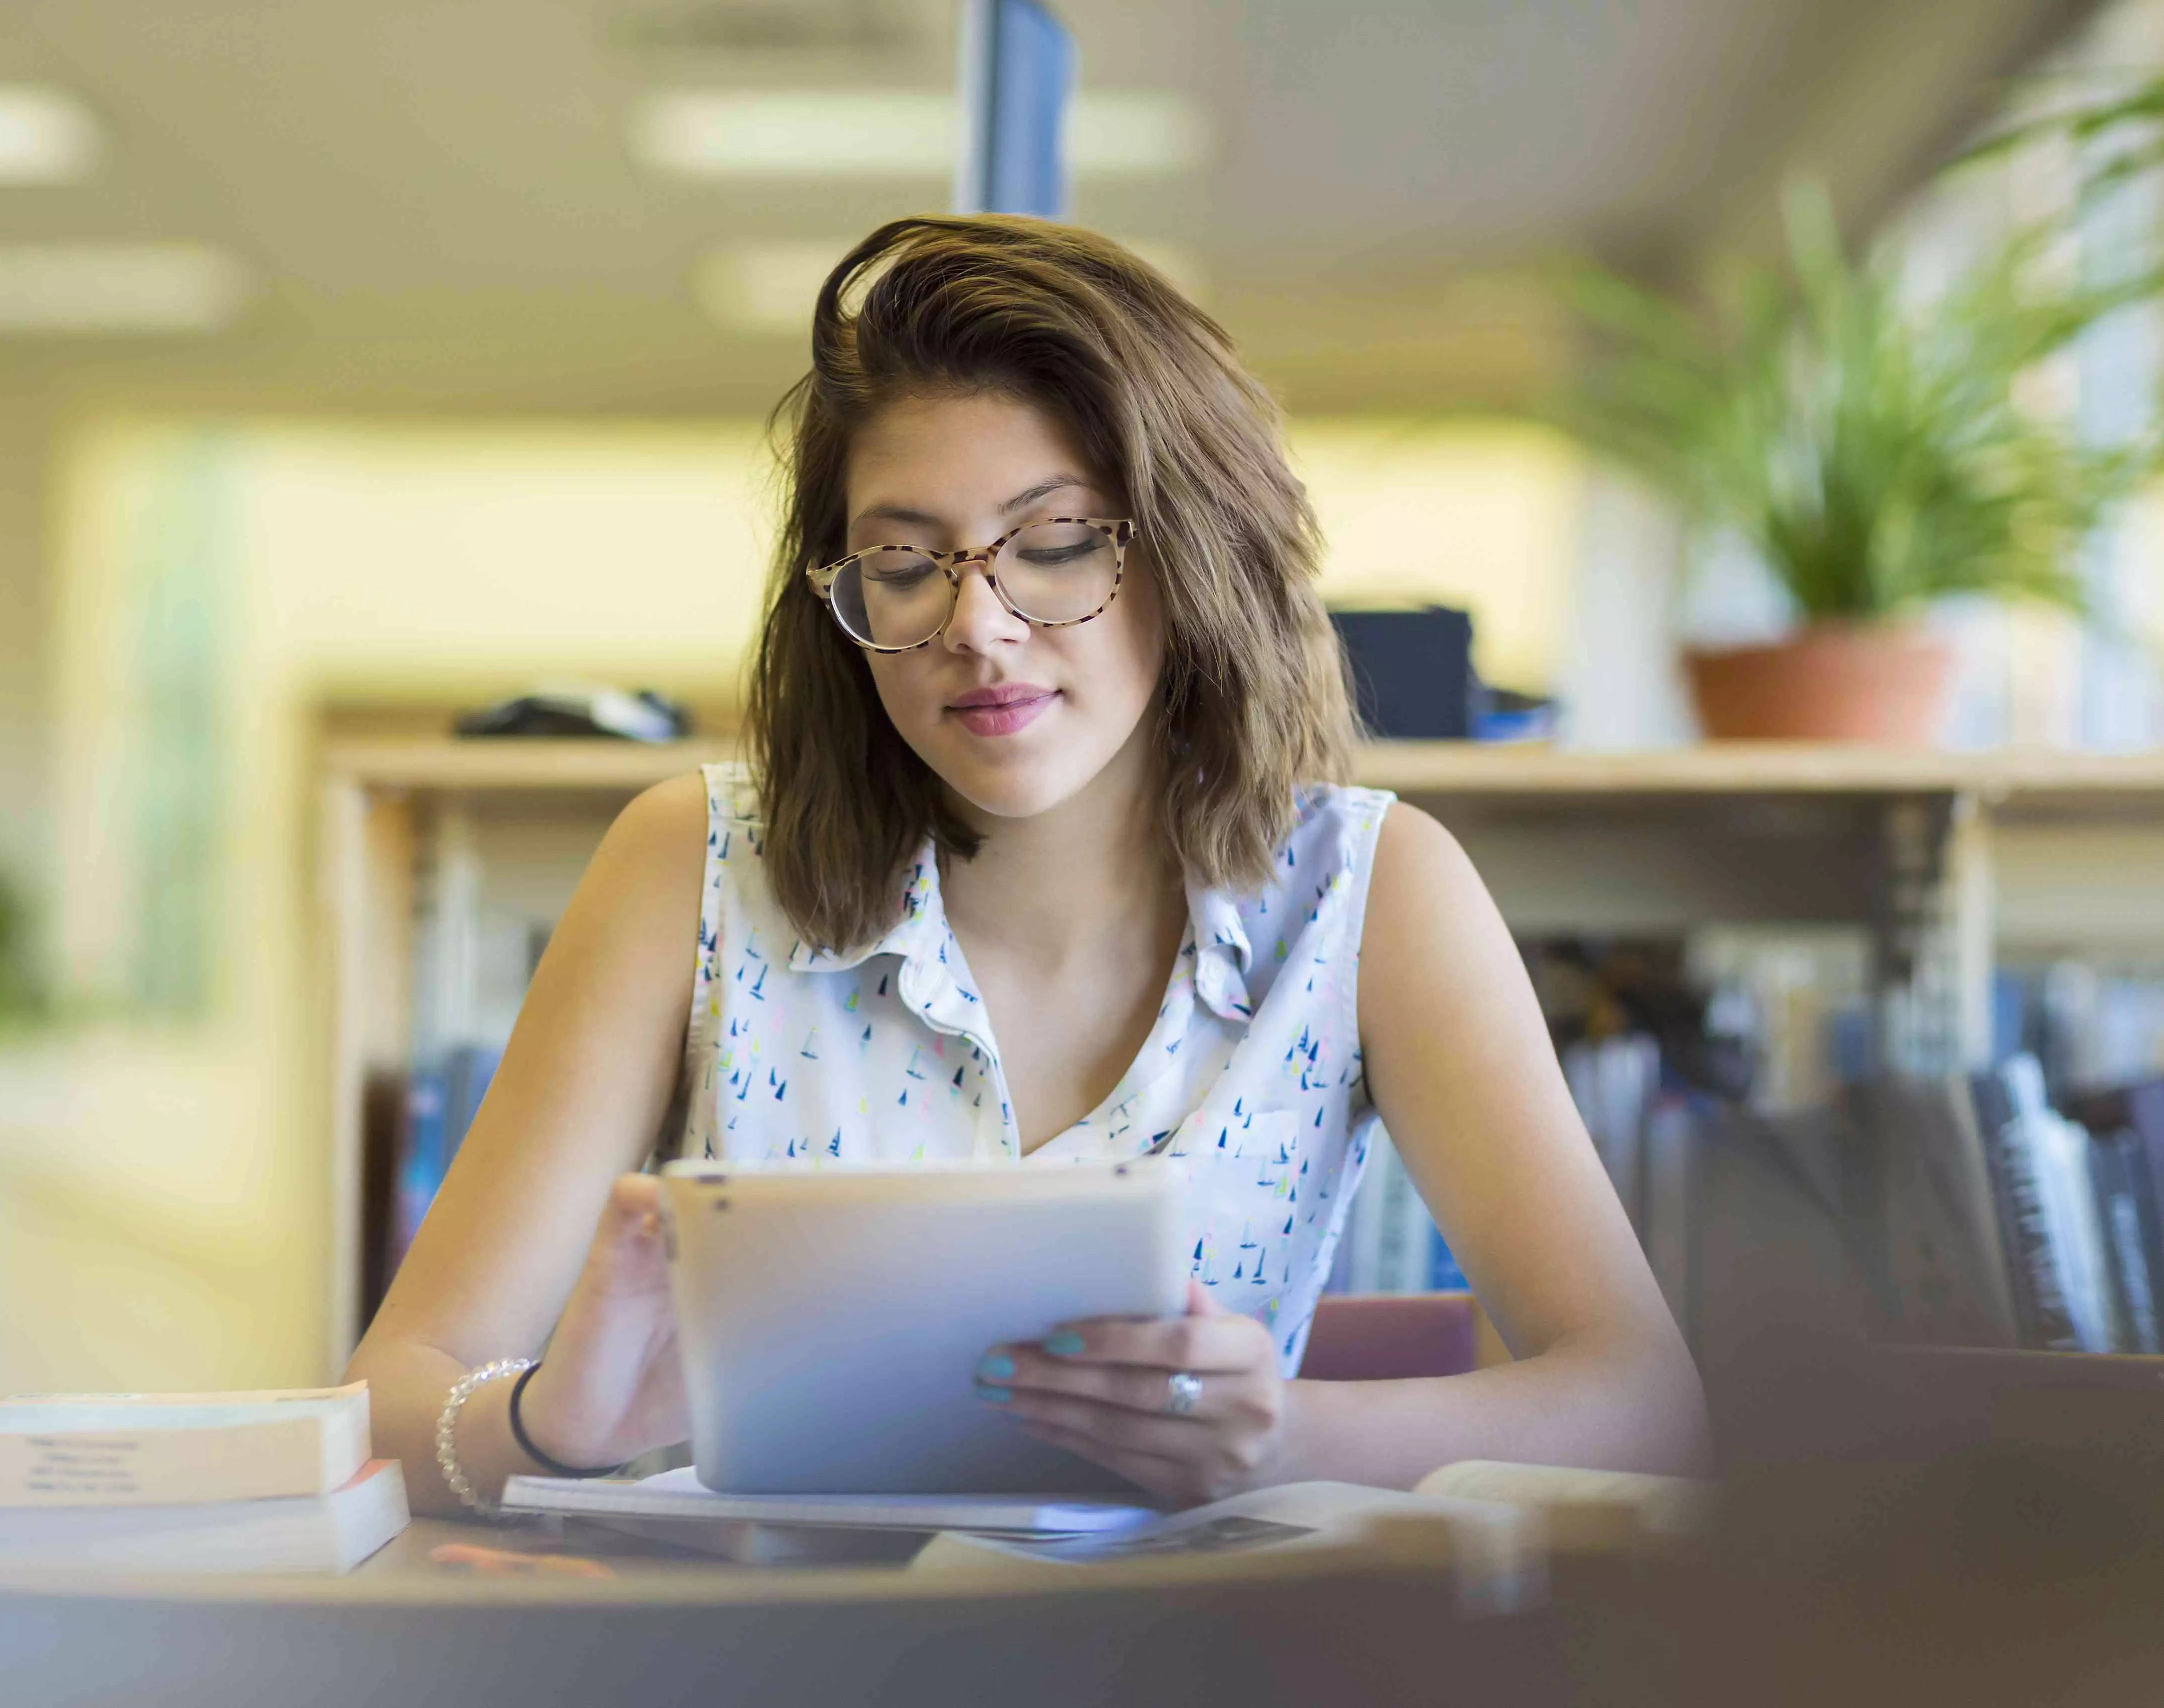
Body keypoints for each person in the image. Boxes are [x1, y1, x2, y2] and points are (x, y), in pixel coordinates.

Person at [347, 215, 1710, 1515]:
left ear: (1194, 553)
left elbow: (1646, 1406)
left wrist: (1285, 1437)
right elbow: (389, 1398)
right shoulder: (684, 866)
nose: (978, 627)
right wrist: (544, 1422)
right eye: (901, 562)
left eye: (1054, 546)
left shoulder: (1375, 892)